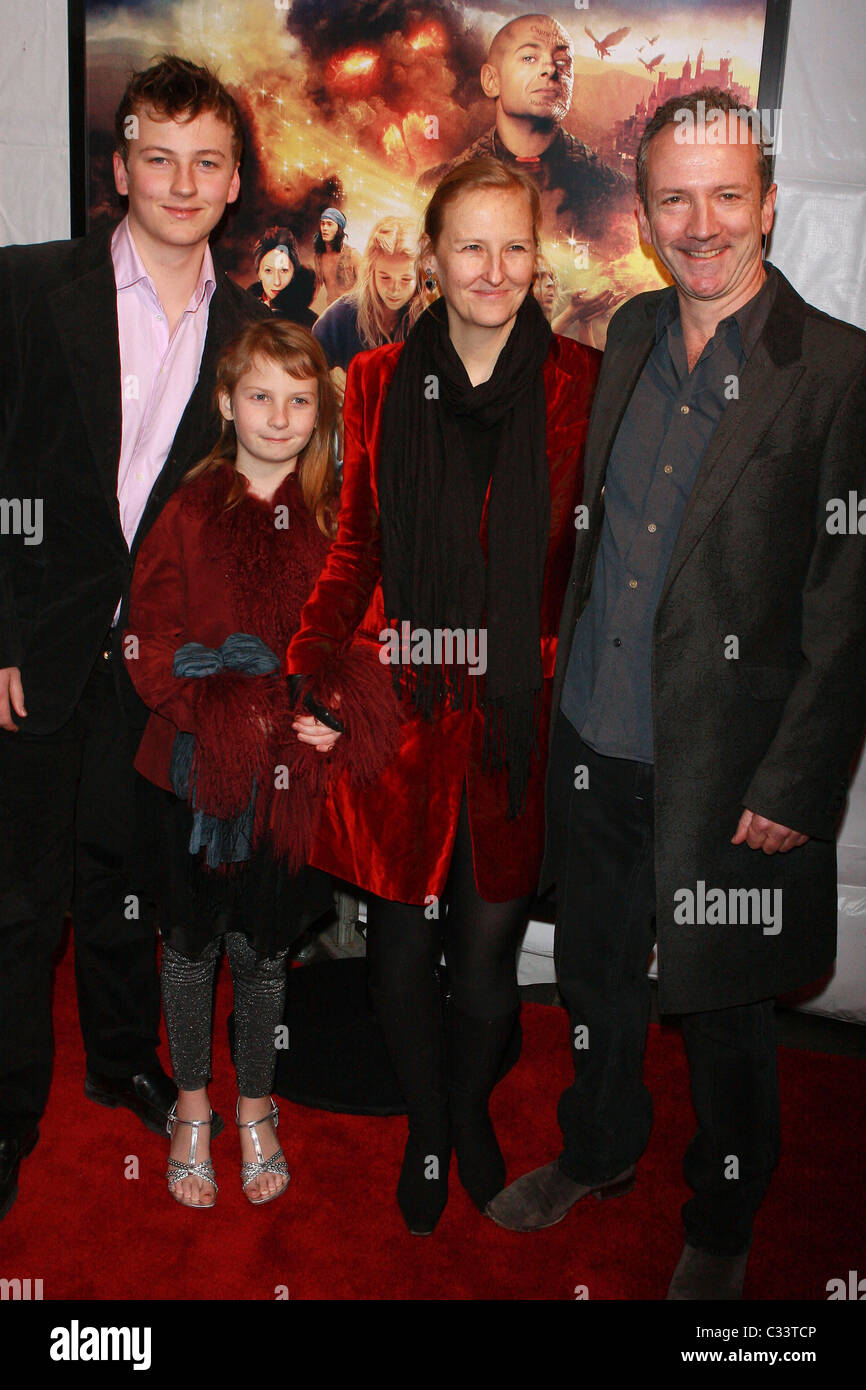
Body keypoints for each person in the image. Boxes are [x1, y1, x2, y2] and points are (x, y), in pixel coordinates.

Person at [487, 89, 866, 1301]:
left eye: (723, 195)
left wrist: (795, 783)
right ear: (645, 214)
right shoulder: (636, 328)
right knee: (595, 974)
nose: (697, 223)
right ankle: (595, 1151)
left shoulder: (839, 374)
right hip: (597, 734)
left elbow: (847, 607)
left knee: (723, 1010)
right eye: (671, 199)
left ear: (763, 201)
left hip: (727, 769)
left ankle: (723, 1212)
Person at [287, 157, 601, 1234]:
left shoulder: (580, 385)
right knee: (397, 949)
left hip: (515, 721)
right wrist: (312, 662)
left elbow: (597, 566)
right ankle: (425, 1124)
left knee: (483, 955)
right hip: (401, 715)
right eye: (469, 245)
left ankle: (466, 1111)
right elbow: (353, 550)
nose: (492, 268)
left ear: (536, 259)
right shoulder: (374, 383)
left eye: (513, 246)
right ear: (429, 255)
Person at [0, 54, 269, 1222]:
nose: (180, 179)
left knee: (125, 893)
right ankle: (11, 1113)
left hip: (157, 677)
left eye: (204, 160)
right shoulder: (25, 289)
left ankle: (120, 1066)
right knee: (17, 906)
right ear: (119, 169)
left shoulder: (261, 336)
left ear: (231, 182)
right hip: (34, 654)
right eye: (157, 156)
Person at [125, 321, 351, 1207]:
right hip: (188, 773)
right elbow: (147, 639)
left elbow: (352, 638)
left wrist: (331, 709)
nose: (280, 415)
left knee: (263, 955)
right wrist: (219, 716)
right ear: (226, 403)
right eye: (261, 395)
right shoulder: (186, 507)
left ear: (319, 413)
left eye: (300, 400)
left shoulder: (333, 517)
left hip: (287, 786)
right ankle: (191, 1107)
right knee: (186, 950)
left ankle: (256, 1105)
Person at [418, 13, 629, 243]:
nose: (550, 68)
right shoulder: (436, 189)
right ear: (491, 80)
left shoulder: (614, 192)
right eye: (529, 58)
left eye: (562, 60)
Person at [313, 217, 422, 380]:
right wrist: (329, 384)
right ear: (371, 271)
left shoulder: (433, 321)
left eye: (406, 279)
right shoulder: (340, 317)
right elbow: (305, 372)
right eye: (385, 277)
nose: (394, 289)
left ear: (420, 276)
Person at [246, 225, 317, 328]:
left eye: (284, 270)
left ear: (294, 273)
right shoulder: (242, 311)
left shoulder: (310, 324)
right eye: (268, 271)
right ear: (259, 273)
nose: (277, 282)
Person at [313, 207, 361, 307]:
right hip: (331, 310)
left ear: (338, 228)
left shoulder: (353, 255)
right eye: (323, 223)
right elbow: (315, 287)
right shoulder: (319, 256)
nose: (325, 228)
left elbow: (364, 285)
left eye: (329, 224)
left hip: (351, 309)